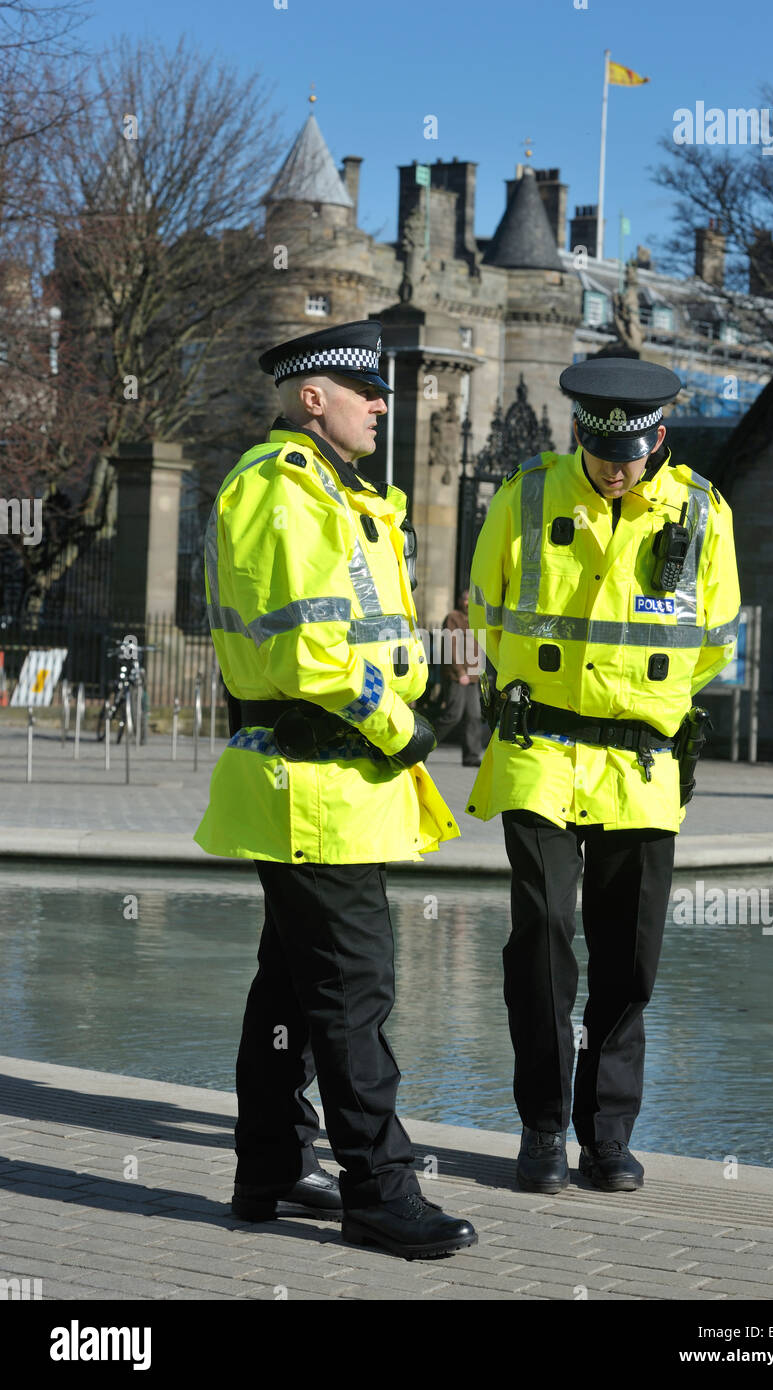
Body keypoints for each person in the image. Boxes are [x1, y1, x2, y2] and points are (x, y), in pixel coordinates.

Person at [194, 319, 476, 1260]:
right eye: (367, 391)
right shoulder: (285, 491)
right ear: (313, 397)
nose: (383, 404)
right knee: (355, 993)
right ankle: (380, 1191)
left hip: (322, 787)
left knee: (289, 990)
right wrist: (406, 725)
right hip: (318, 786)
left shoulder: (327, 490)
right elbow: (313, 651)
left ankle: (268, 1170)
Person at [465, 358, 740, 1195]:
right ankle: (543, 1129)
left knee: (630, 960)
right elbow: (486, 609)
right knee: (543, 939)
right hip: (539, 754)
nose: (614, 470)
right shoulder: (527, 494)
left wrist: (642, 707)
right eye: (599, 452)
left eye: (629, 455)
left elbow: (716, 642)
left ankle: (607, 1139)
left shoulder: (703, 512)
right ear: (578, 434)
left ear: (659, 439)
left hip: (643, 765)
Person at [430, 588, 486, 766]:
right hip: (457, 675)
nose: (468, 603)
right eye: (466, 599)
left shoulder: (478, 619)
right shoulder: (453, 618)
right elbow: (451, 646)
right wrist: (460, 672)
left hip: (473, 676)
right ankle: (423, 745)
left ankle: (471, 756)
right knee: (452, 715)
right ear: (461, 601)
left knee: (474, 715)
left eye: (472, 600)